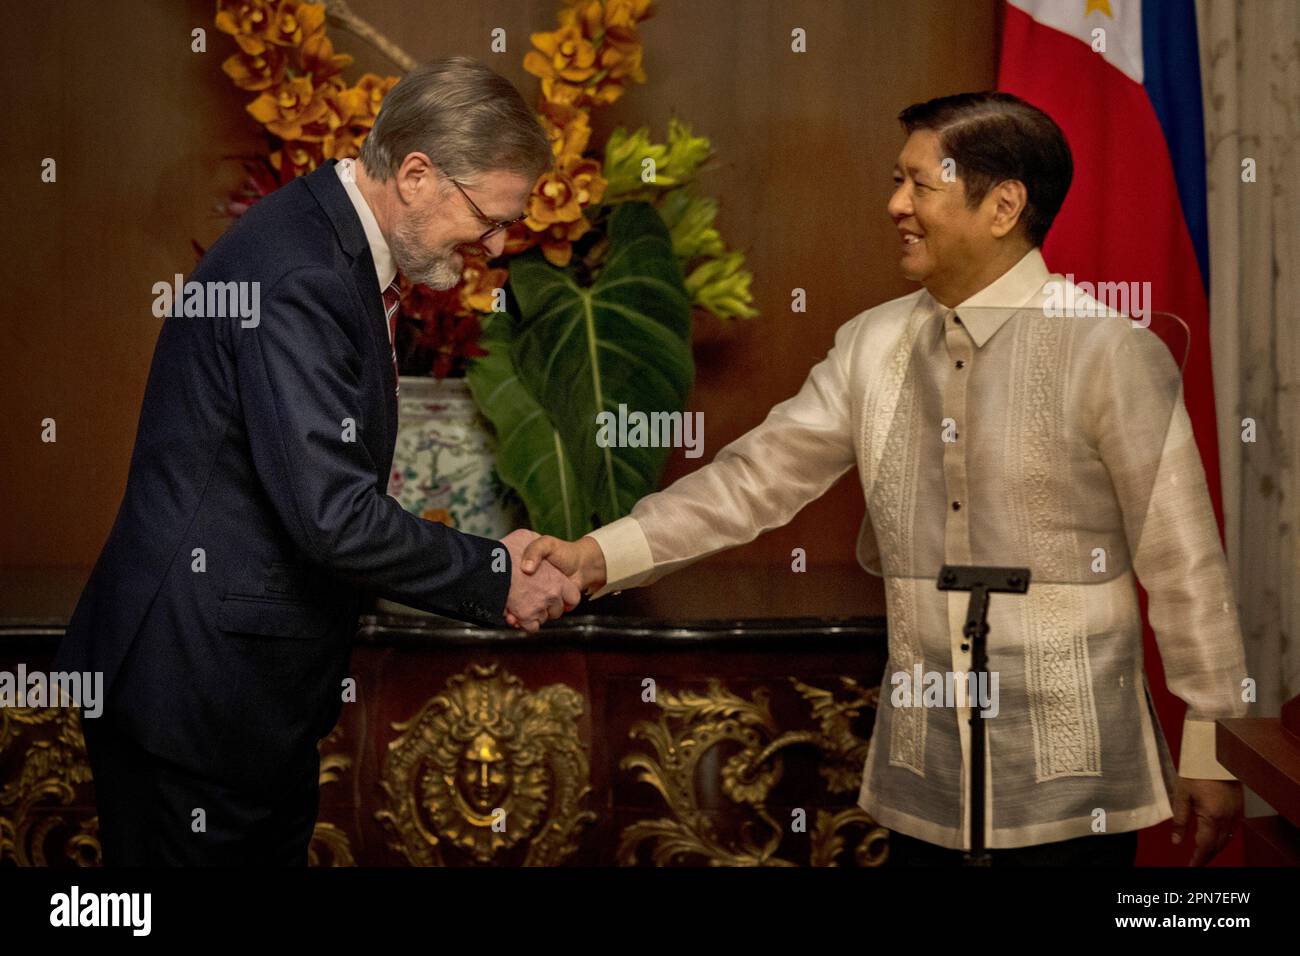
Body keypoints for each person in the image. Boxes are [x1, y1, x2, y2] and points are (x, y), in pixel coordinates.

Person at [520, 91, 1250, 866]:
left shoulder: (1112, 350)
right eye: (896, 181)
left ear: (1003, 205)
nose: (895, 205)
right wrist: (597, 555)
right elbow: (753, 481)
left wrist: (1210, 740)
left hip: (1073, 781)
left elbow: (1185, 562)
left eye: (918, 184)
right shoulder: (873, 344)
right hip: (924, 766)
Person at [53, 58, 579, 866]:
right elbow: (333, 517)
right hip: (199, 693)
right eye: (490, 216)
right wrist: (496, 573)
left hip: (225, 688)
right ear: (415, 173)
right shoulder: (304, 273)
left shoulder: (320, 240)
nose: (498, 244)